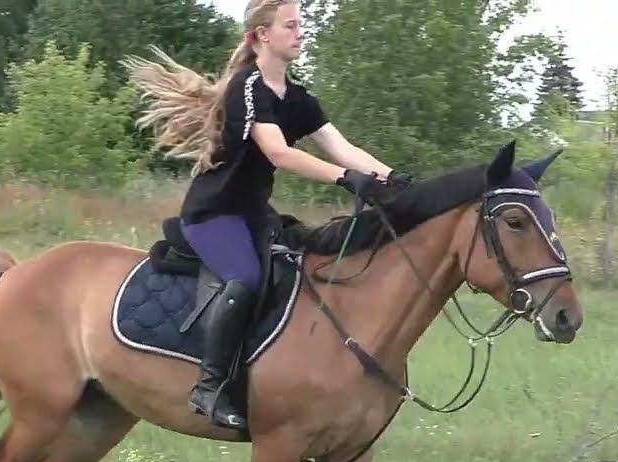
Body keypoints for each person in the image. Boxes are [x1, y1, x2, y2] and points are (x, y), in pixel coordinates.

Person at [124, 0, 411, 431]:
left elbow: (342, 148)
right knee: (245, 279)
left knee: (297, 271)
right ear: (262, 35)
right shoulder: (248, 87)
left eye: (299, 25)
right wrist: (346, 179)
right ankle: (210, 387)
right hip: (214, 213)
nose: (300, 33)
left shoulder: (297, 98)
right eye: (290, 26)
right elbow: (279, 152)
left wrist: (393, 178)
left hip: (255, 213)